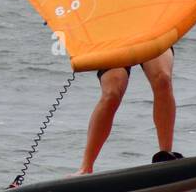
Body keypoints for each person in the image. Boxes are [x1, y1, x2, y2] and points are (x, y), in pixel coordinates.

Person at [74, 46, 182, 174]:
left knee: (162, 79)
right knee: (112, 94)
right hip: (115, 36)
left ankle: (165, 156)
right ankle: (86, 167)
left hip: (148, 29)